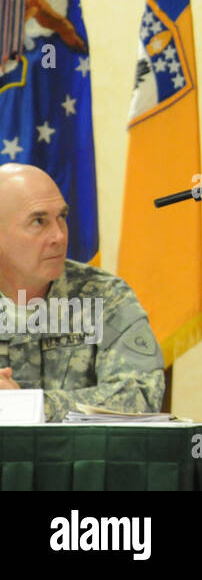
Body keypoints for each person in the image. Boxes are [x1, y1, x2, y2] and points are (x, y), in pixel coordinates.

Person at [0, 163, 164, 421]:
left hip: (80, 460)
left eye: (62, 217)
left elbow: (142, 394)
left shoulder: (104, 295)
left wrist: (34, 406)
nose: (59, 236)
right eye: (39, 221)